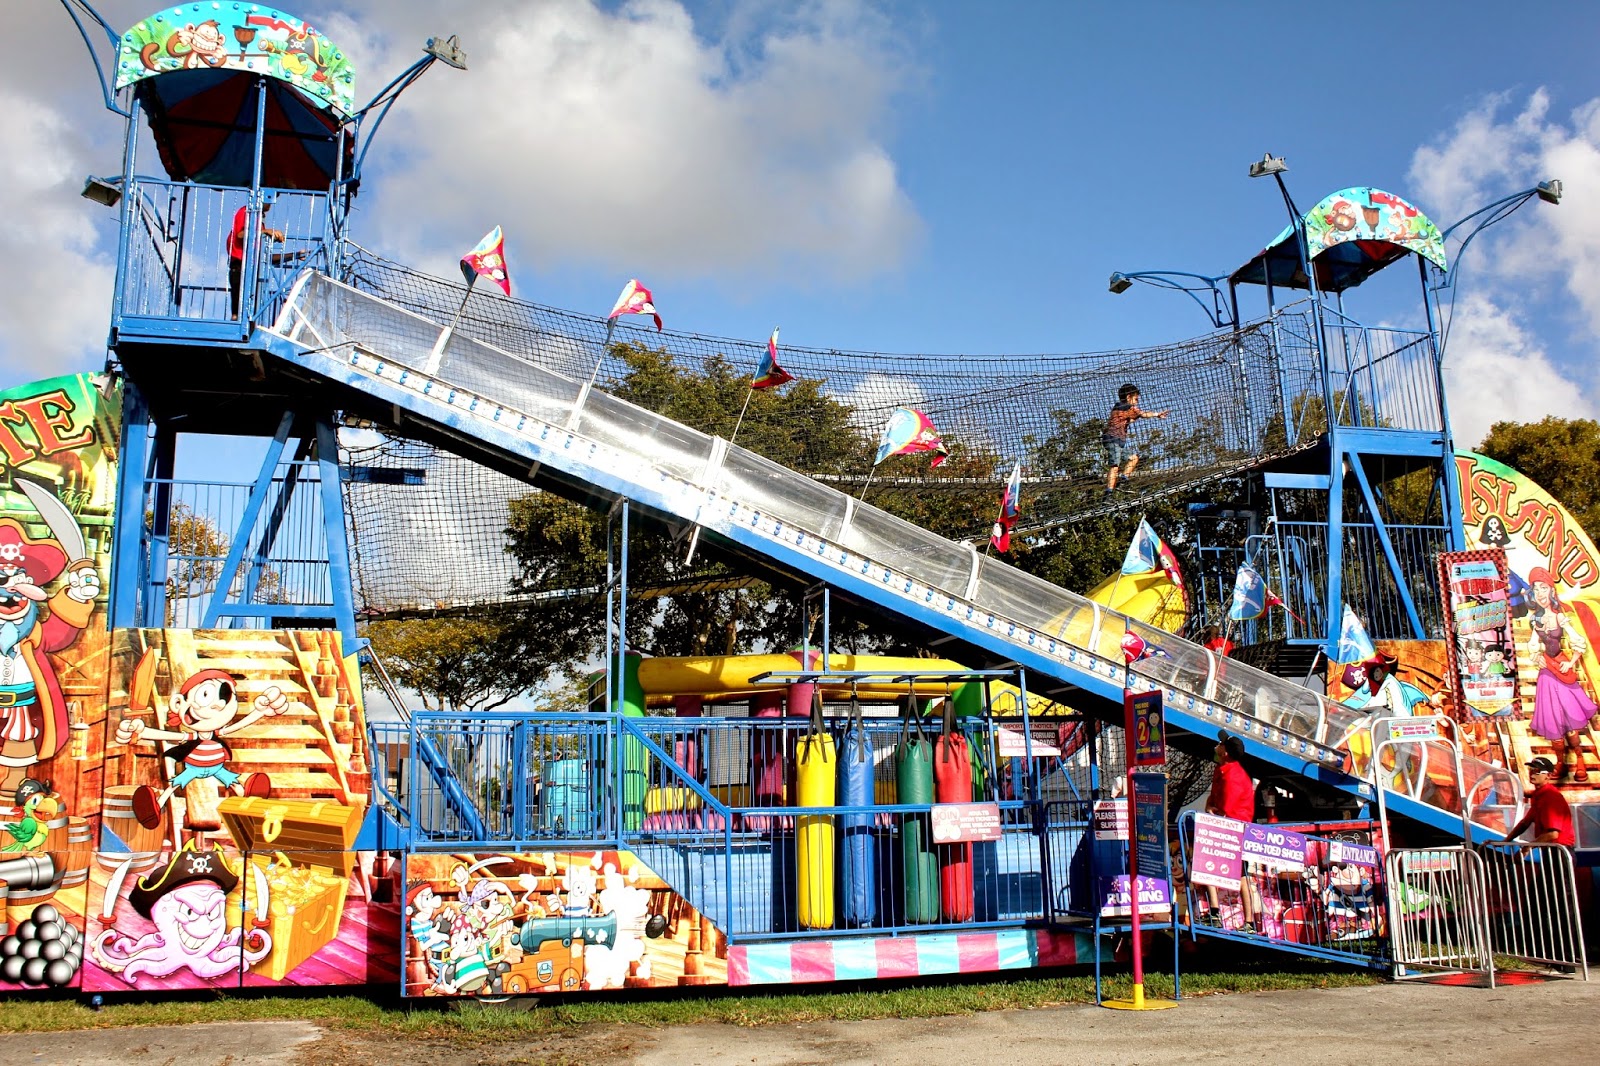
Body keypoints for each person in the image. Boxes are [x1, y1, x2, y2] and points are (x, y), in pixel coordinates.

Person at [1524, 567, 1597, 782]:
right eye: (1536, 589)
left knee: (1569, 720)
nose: (1540, 593)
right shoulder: (1535, 620)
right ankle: (1560, 763)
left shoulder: (1560, 618)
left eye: (1544, 588)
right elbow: (1533, 643)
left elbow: (1578, 643)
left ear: (1551, 591)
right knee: (1552, 720)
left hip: (1562, 669)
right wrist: (1535, 656)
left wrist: (1572, 663)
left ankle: (1580, 760)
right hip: (1547, 672)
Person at [1204, 732, 1258, 929]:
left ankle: (1249, 921)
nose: (1217, 745)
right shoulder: (1221, 769)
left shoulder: (1234, 776)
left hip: (1236, 830)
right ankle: (1214, 912)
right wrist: (1210, 808)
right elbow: (1213, 801)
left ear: (1225, 752)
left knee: (1241, 875)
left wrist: (1214, 812)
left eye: (1221, 744)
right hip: (1224, 826)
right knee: (1207, 864)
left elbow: (1227, 808)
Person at [1102, 383, 1168, 496]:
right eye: (1136, 399)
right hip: (1112, 439)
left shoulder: (1119, 408)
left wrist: (1135, 417)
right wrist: (1157, 414)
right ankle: (1108, 494)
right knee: (1114, 466)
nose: (1137, 401)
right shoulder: (1128, 407)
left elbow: (1129, 419)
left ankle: (1123, 481)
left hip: (1116, 441)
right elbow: (1143, 414)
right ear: (1128, 397)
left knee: (1133, 458)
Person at [227, 201, 287, 318]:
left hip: (251, 270)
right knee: (238, 314)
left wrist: (295, 255)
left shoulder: (259, 225)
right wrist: (265, 232)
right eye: (268, 200)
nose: (270, 203)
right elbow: (240, 234)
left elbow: (265, 257)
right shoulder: (247, 211)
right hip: (239, 267)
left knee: (251, 313)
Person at [1503, 756, 1575, 849]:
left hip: (1560, 850)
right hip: (1550, 850)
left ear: (1548, 775)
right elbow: (1525, 823)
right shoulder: (1538, 795)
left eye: (1537, 771)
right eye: (1531, 769)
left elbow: (1553, 834)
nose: (1532, 774)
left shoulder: (1551, 796)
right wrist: (1505, 841)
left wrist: (1528, 847)